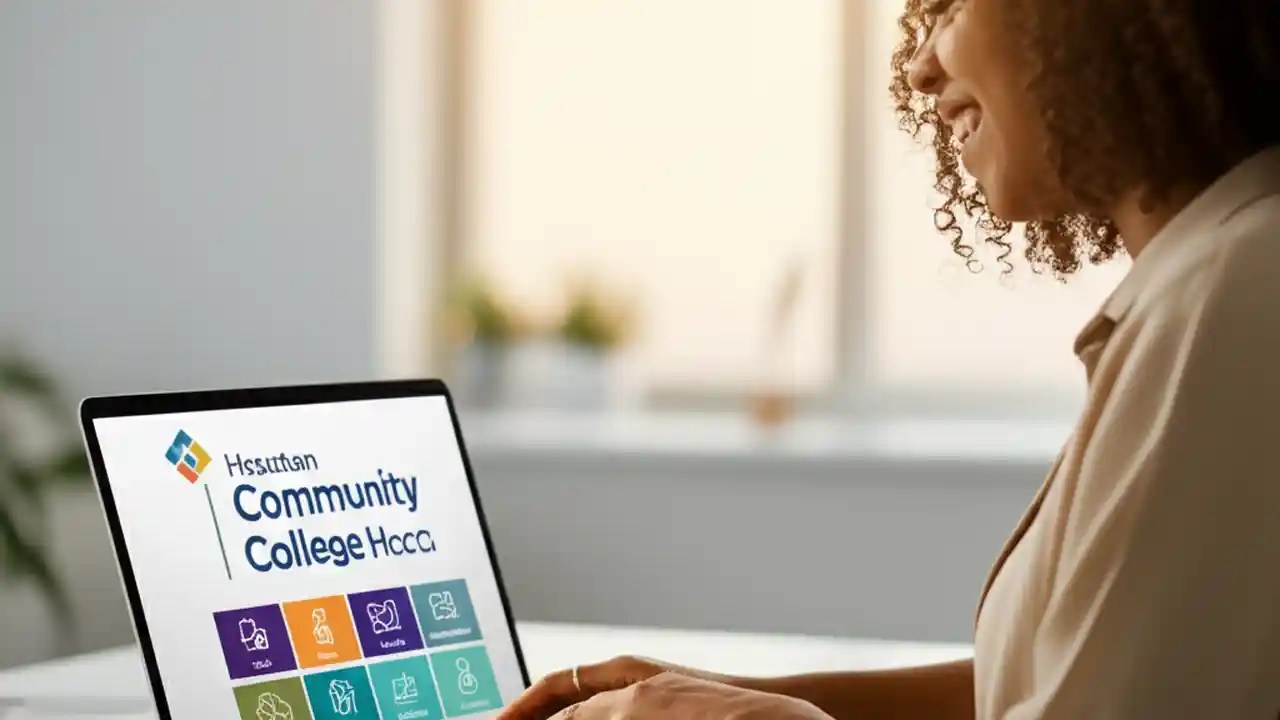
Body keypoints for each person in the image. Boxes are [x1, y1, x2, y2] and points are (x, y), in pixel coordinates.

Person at [498, 0, 1280, 717]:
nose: (920, 67)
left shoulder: (1231, 290)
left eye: (955, 5)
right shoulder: (1216, 272)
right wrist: (733, 697)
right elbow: (1045, 685)